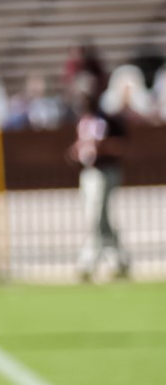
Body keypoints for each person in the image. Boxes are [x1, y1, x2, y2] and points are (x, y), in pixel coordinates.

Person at [70, 87, 130, 281]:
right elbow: (81, 146)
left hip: (105, 171)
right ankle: (120, 260)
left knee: (96, 216)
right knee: (100, 218)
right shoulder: (83, 121)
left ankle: (87, 262)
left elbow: (121, 145)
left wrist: (102, 148)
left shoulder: (108, 120)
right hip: (88, 173)